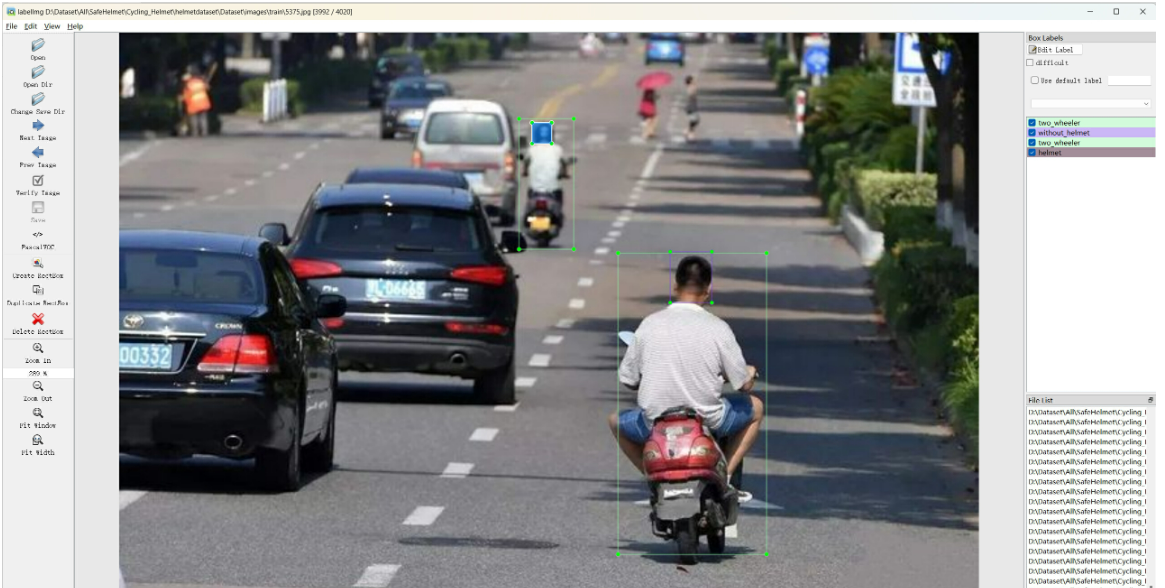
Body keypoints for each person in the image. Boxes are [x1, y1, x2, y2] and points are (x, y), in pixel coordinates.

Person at [608, 256, 762, 499]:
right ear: (708, 290)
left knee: (616, 420)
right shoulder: (717, 327)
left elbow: (628, 379)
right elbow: (743, 383)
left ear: (675, 287)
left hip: (655, 423)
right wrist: (749, 372)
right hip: (706, 420)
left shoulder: (649, 324)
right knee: (756, 407)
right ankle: (726, 477)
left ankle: (653, 480)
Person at [522, 140, 569, 209]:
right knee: (558, 207)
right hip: (553, 189)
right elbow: (564, 163)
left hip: (535, 189)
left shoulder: (532, 149)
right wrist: (564, 174)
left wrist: (525, 172)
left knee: (530, 203)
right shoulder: (557, 149)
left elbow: (526, 162)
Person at [180, 65, 212, 137]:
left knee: (194, 119)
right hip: (203, 103)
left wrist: (182, 98)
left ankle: (195, 132)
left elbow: (186, 95)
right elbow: (207, 88)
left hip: (194, 104)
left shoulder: (189, 84)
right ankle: (204, 132)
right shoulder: (201, 82)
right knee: (203, 118)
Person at [684, 75, 700, 141]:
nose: (694, 80)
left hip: (693, 106)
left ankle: (688, 131)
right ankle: (690, 133)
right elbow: (691, 94)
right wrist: (694, 88)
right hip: (691, 106)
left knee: (695, 120)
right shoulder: (690, 87)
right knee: (694, 120)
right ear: (690, 81)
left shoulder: (691, 87)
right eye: (693, 79)